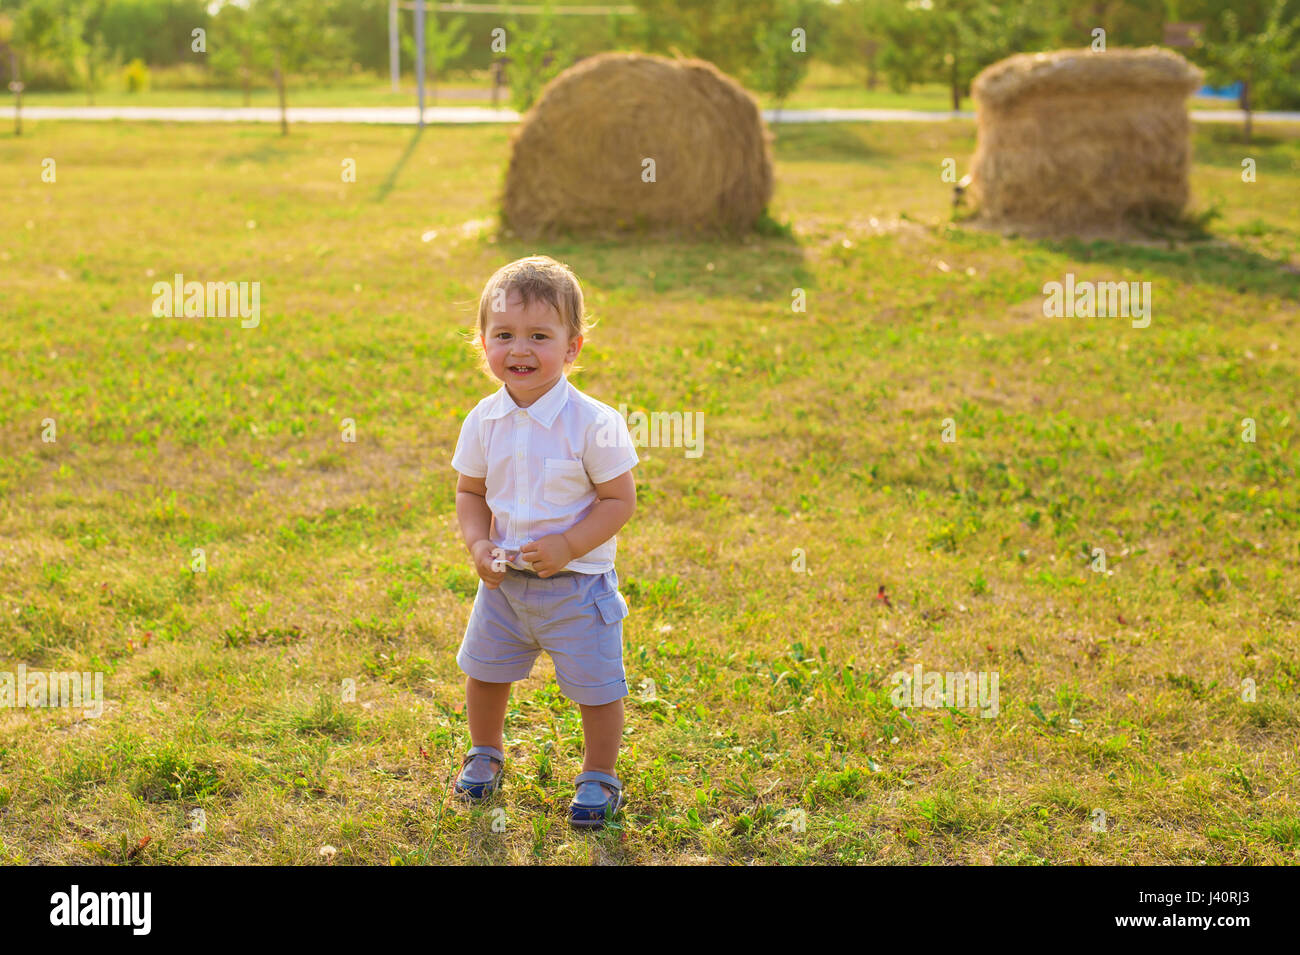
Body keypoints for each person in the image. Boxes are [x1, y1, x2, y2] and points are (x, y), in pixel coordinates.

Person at [450, 254, 638, 828]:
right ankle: (486, 752)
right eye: (504, 335)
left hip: (577, 587)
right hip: (505, 586)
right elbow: (471, 491)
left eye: (539, 336)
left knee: (597, 686)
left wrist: (569, 545)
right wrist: (479, 545)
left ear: (573, 347)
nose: (521, 350)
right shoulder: (483, 419)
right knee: (485, 670)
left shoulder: (594, 422)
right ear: (482, 344)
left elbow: (618, 500)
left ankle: (599, 774)